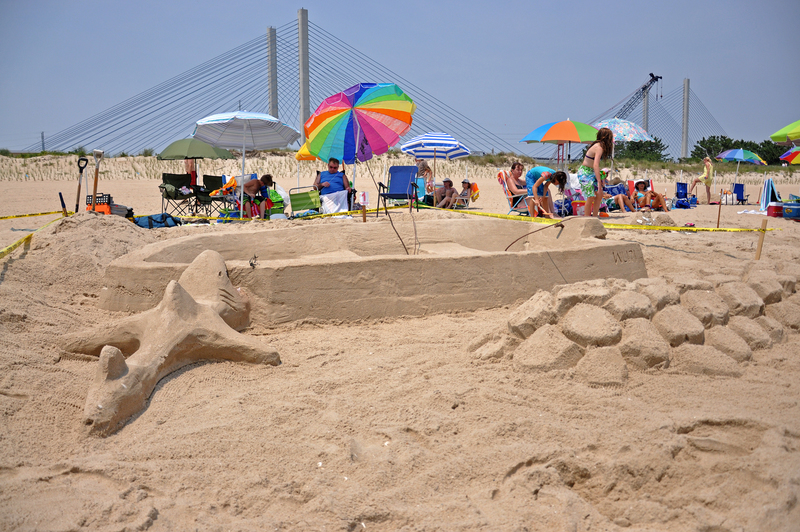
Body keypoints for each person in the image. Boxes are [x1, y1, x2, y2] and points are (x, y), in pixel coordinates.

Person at [577, 128, 614, 217]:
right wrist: (599, 180)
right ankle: (587, 217)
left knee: (599, 194)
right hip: (585, 173)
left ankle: (594, 216)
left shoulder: (598, 146)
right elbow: (596, 165)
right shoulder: (599, 147)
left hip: (590, 172)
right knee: (590, 196)